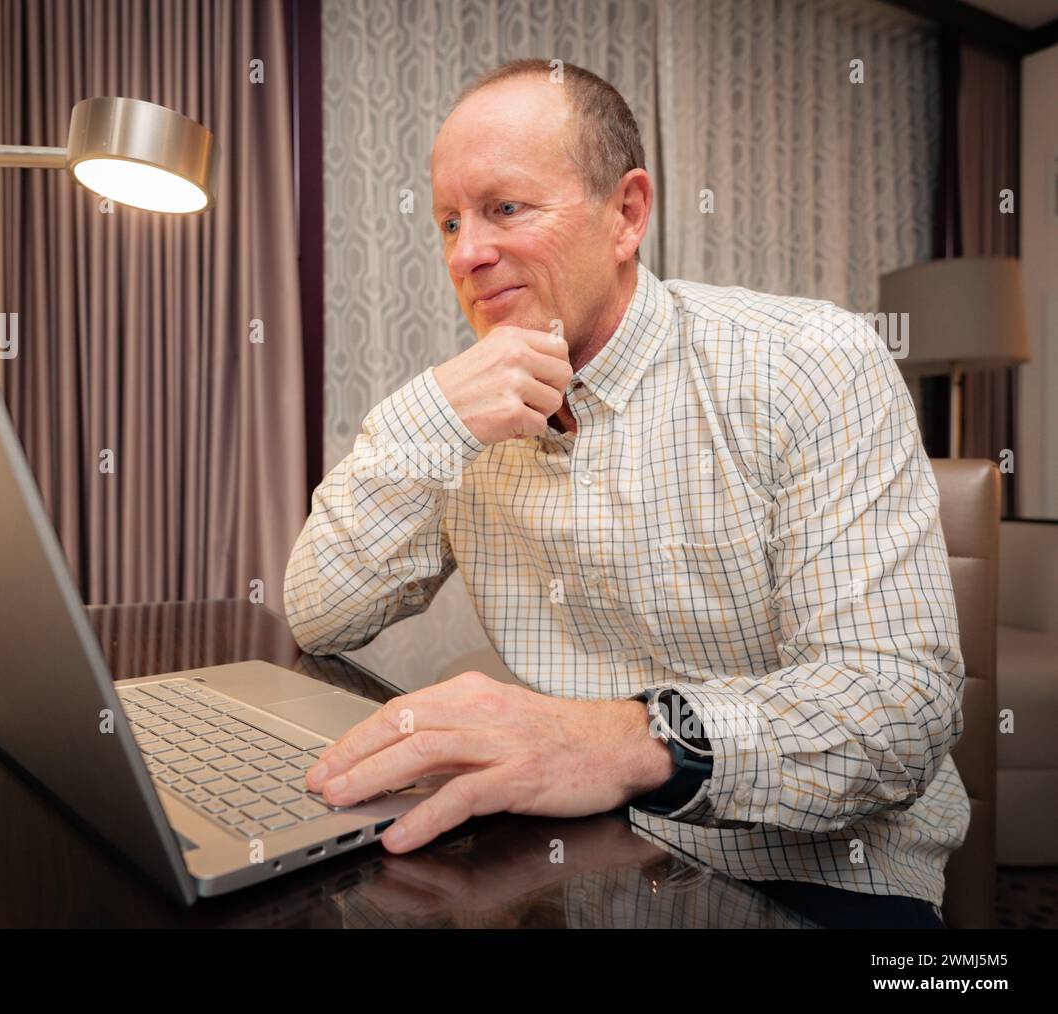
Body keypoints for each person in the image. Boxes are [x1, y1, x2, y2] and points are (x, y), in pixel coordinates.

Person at [284, 58, 965, 929]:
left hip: (815, 877)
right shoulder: (463, 418)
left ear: (627, 214)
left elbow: (899, 707)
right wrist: (429, 421)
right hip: (572, 861)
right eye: (448, 222)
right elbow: (320, 616)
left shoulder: (808, 362)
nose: (465, 254)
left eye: (504, 208)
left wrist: (626, 742)